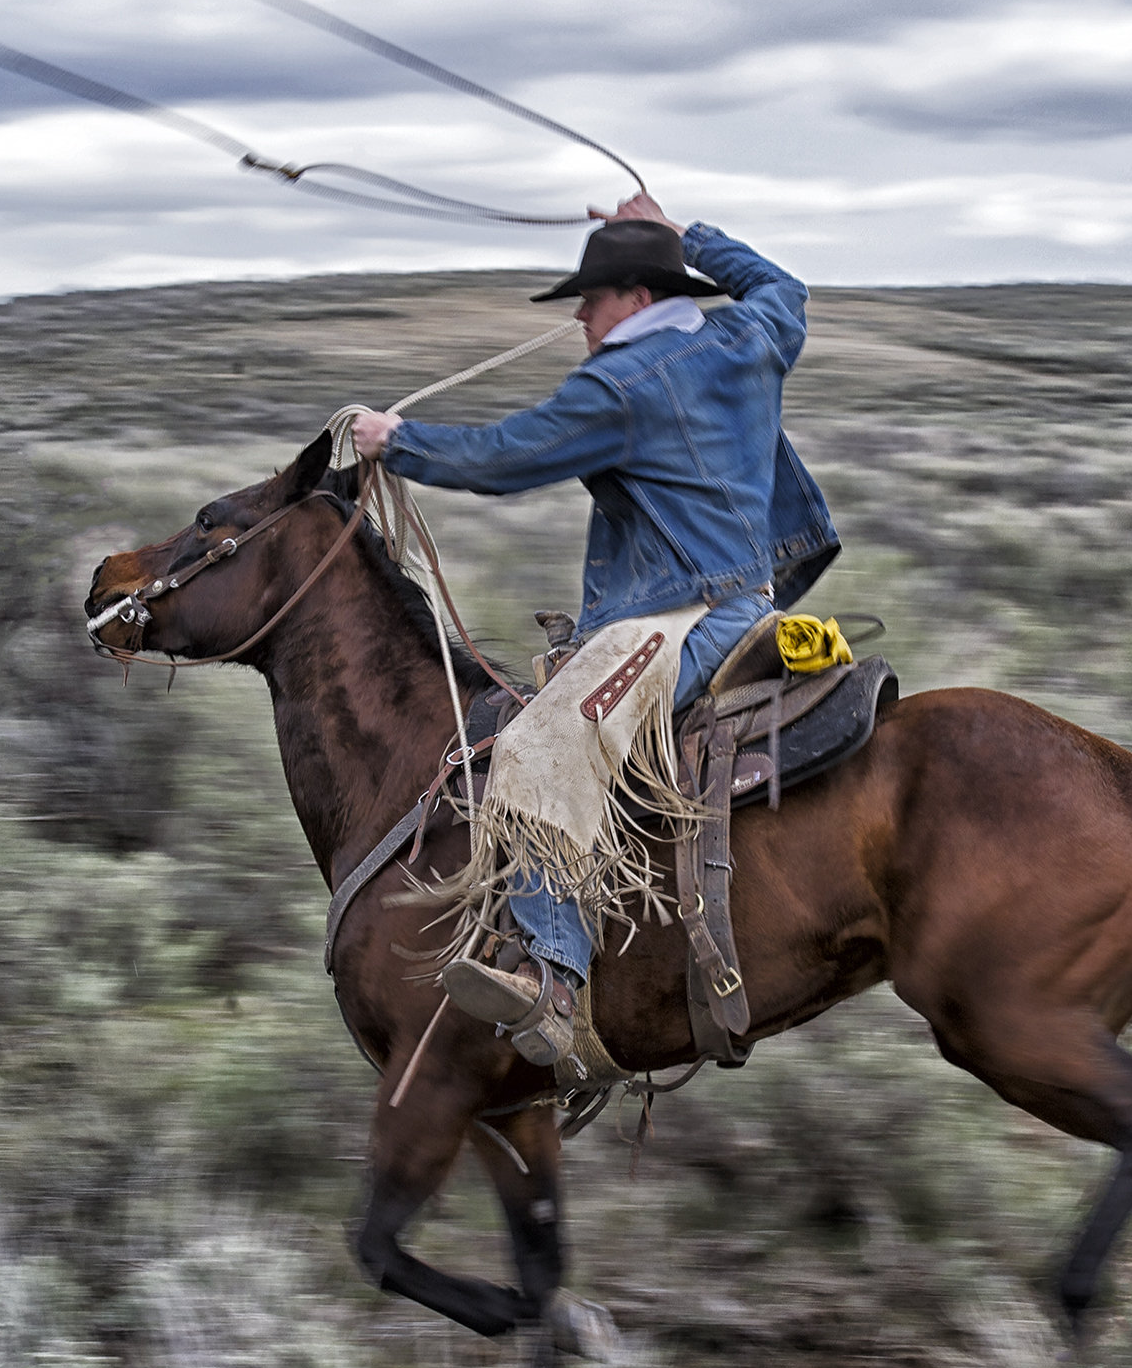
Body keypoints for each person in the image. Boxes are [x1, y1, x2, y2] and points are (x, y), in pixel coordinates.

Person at [348, 193, 838, 1067]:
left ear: (640, 299)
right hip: (752, 600)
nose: (579, 312)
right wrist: (687, 232)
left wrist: (399, 440)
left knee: (539, 744)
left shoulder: (620, 386)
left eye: (595, 295)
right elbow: (783, 286)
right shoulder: (749, 336)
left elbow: (505, 457)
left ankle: (552, 979)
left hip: (675, 617)